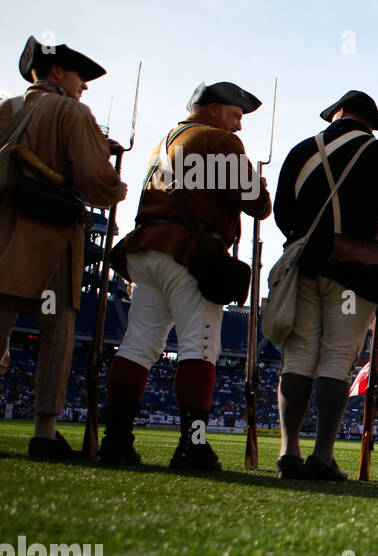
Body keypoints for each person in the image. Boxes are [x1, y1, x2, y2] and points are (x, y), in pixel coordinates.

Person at [99, 81, 271, 469]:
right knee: (199, 346)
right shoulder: (220, 141)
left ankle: (116, 440)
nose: (239, 126)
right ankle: (192, 446)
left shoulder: (163, 143)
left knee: (138, 344)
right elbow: (256, 204)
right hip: (189, 253)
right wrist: (259, 189)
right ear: (213, 109)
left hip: (148, 247)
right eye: (236, 115)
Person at [0, 36, 128, 459]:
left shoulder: (7, 108)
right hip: (51, 238)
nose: (84, 85)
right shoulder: (71, 111)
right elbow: (97, 181)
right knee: (57, 330)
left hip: (4, 233)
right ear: (57, 72)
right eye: (79, 76)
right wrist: (114, 183)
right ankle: (45, 430)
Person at [273, 90, 378, 480]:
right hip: (354, 276)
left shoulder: (301, 150)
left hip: (305, 266)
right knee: (336, 359)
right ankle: (322, 454)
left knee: (298, 357)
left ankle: (289, 451)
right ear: (369, 121)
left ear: (337, 113)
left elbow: (284, 215)